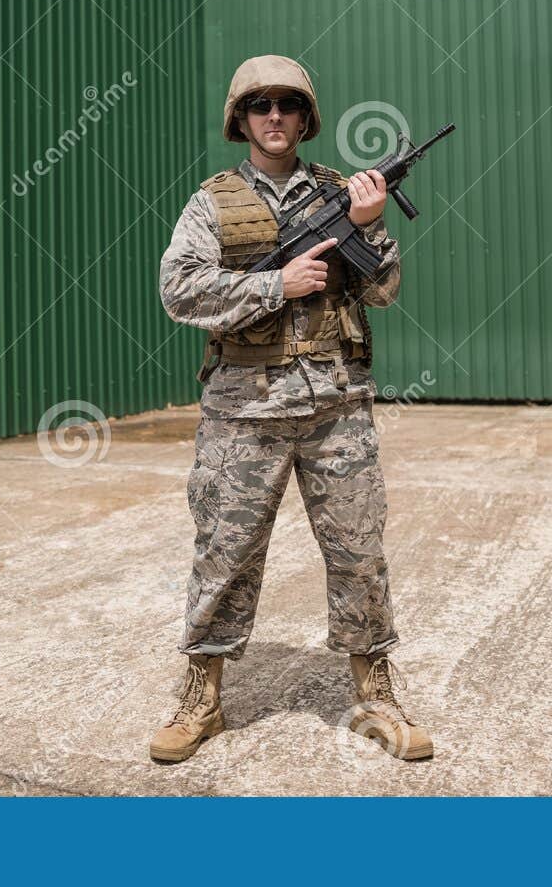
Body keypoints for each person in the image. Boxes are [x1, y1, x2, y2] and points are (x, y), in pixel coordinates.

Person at [149, 53, 431, 764]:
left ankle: (375, 695)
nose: (273, 115)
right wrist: (277, 282)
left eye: (287, 104)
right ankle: (202, 696)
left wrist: (367, 227)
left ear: (306, 118)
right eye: (259, 104)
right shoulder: (213, 201)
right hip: (242, 411)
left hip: (337, 403)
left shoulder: (345, 191)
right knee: (226, 554)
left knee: (360, 552)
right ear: (240, 119)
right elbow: (179, 289)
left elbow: (384, 291)